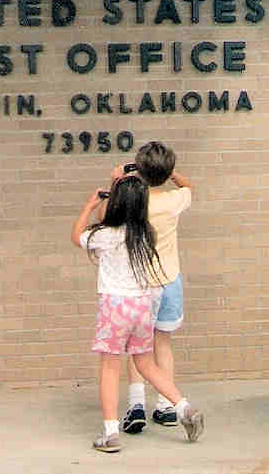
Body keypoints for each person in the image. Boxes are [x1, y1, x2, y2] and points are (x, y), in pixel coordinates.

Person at [71, 171, 204, 453]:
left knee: (110, 367)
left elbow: (76, 237)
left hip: (115, 307)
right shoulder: (146, 233)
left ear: (117, 203)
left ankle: (110, 432)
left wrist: (89, 205)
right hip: (142, 306)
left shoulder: (105, 234)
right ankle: (184, 408)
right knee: (146, 364)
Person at [117, 142, 192, 435]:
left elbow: (107, 211)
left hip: (140, 283)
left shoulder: (132, 202)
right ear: (167, 170)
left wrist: (120, 177)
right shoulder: (175, 200)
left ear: (140, 169)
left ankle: (136, 405)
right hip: (169, 279)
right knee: (163, 344)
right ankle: (165, 405)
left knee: (139, 347)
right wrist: (173, 173)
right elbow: (189, 186)